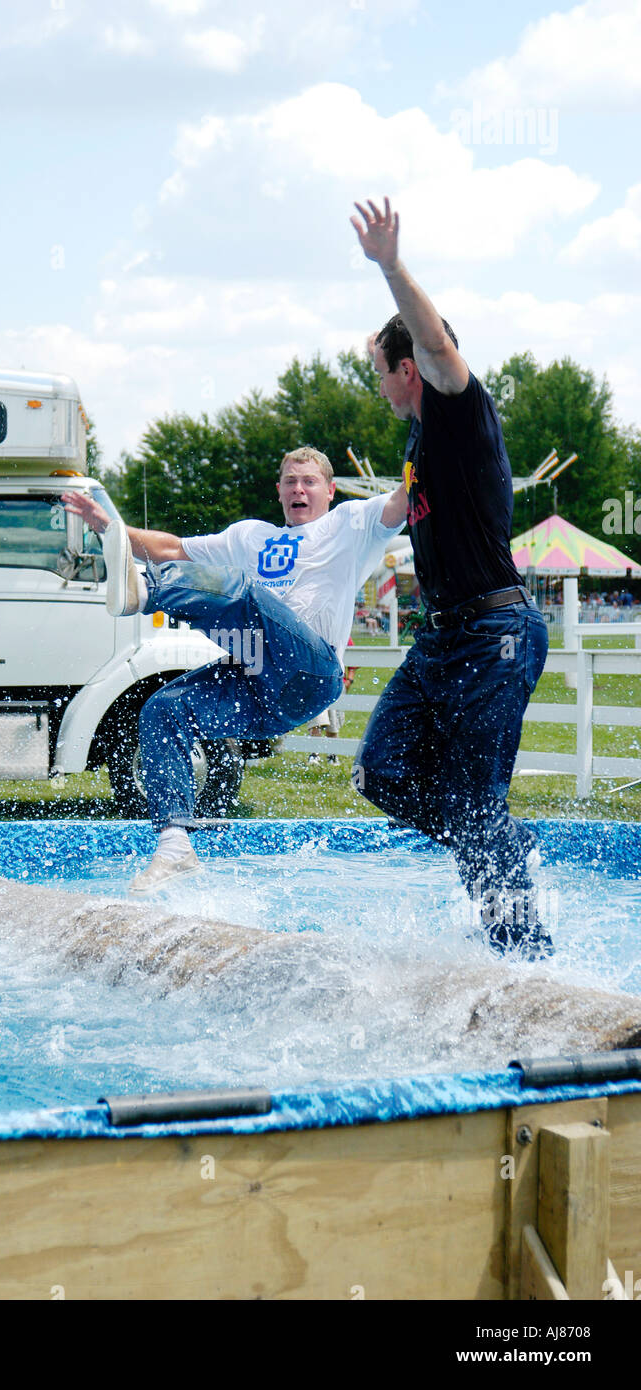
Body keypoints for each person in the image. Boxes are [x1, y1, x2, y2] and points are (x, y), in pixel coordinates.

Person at [349, 196, 552, 961]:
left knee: (472, 807)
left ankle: (524, 956)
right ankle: (500, 839)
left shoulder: (460, 411)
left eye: (380, 372)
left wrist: (391, 266)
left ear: (409, 371)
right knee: (380, 772)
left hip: (494, 633)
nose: (378, 385)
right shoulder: (416, 439)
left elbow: (435, 341)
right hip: (441, 643)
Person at [62, 448, 406, 893]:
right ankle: (174, 846)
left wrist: (433, 432)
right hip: (261, 688)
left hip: (311, 675)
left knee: (248, 594)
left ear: (330, 489)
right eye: (289, 481)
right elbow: (172, 548)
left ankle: (145, 593)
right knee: (162, 709)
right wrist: (110, 529)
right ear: (279, 490)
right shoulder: (250, 537)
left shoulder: (354, 523)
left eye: (309, 481)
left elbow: (403, 499)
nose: (298, 489)